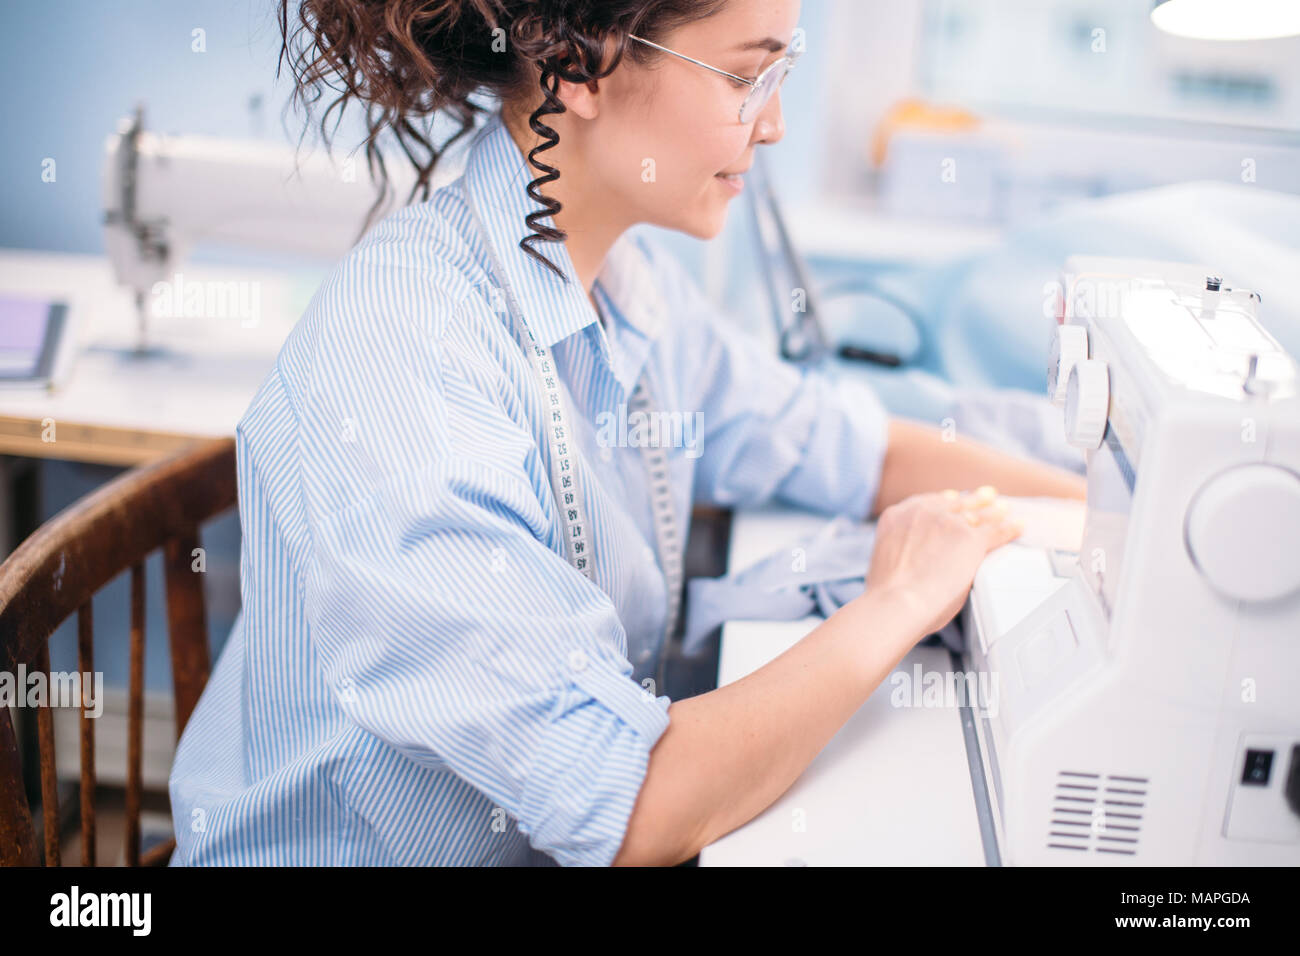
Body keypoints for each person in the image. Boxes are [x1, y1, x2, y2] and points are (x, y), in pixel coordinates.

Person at [168, 0, 1087, 866]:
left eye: (782, 76)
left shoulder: (625, 285)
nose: (771, 127)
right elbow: (630, 805)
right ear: (580, 64)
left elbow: (844, 443)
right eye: (743, 79)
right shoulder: (408, 353)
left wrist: (1113, 512)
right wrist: (894, 600)